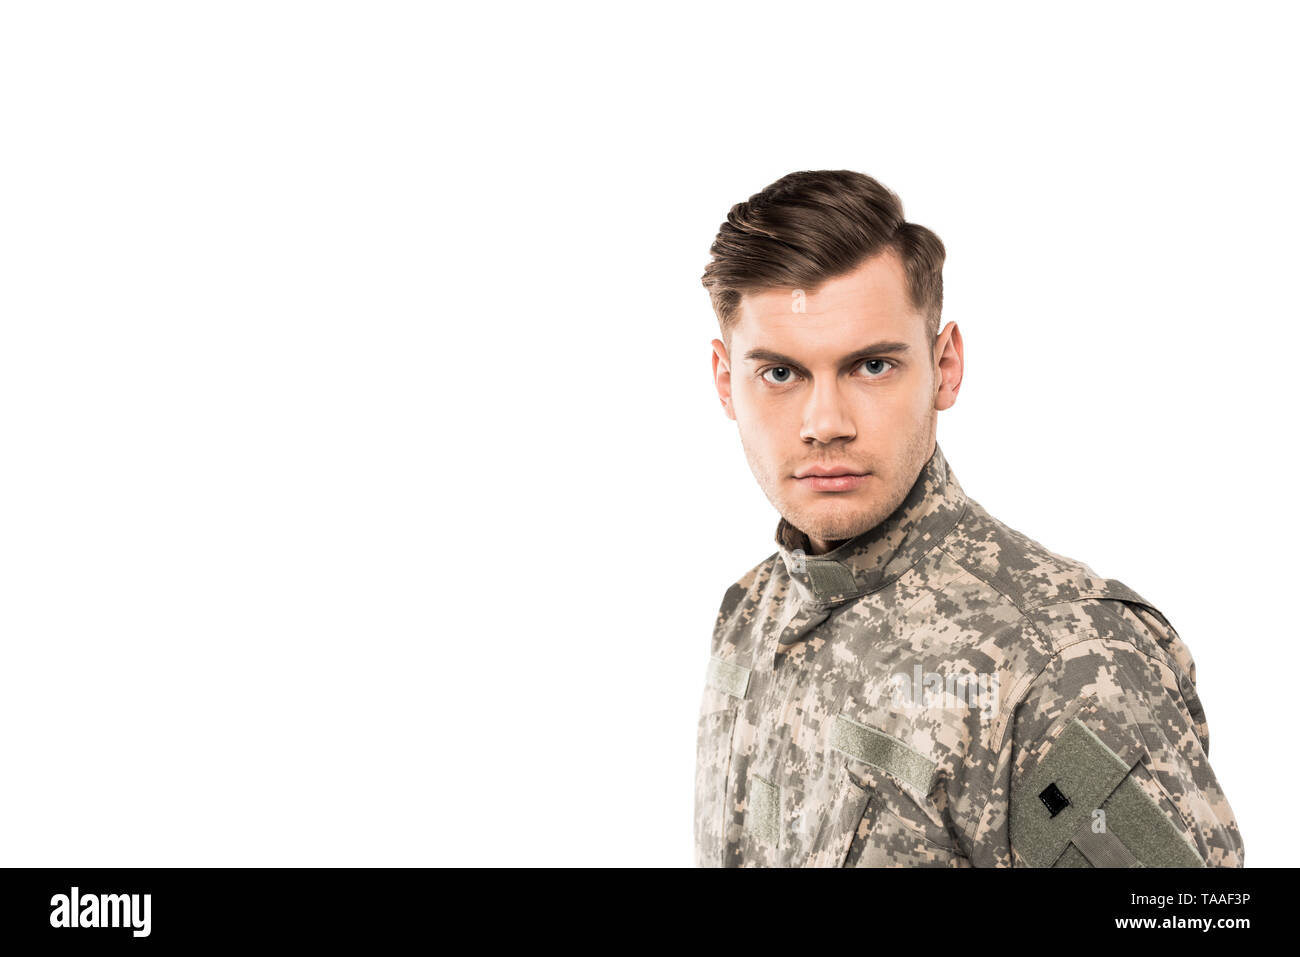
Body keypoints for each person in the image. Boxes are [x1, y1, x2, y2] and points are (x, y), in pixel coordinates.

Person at [694, 169, 1244, 867]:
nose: (824, 423)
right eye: (780, 373)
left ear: (944, 365)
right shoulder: (750, 614)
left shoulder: (1063, 658)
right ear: (724, 382)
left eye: (870, 365)